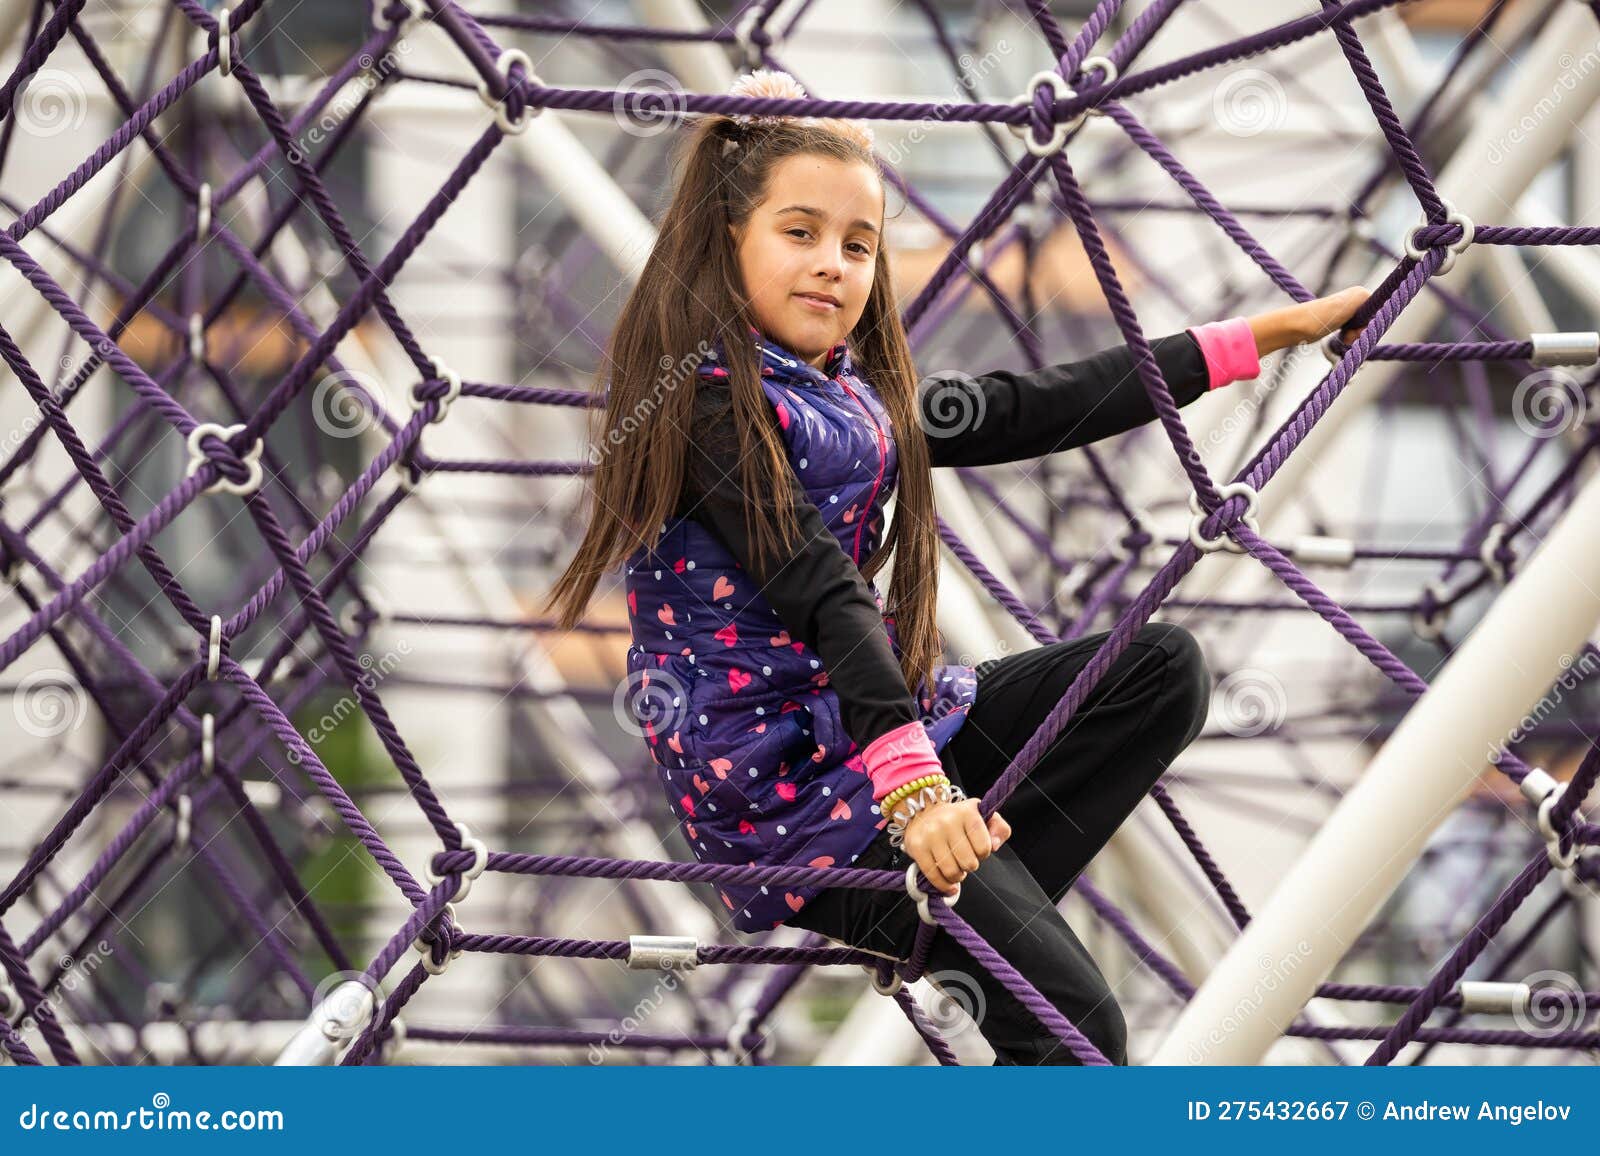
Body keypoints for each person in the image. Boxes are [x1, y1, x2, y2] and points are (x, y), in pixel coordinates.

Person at [547, 68, 1370, 1065]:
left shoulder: (851, 395)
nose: (832, 265)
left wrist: (1268, 336)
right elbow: (822, 591)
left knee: (1162, 670)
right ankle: (946, 911)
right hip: (789, 797)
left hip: (879, 736)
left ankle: (955, 918)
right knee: (1079, 1030)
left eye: (858, 246)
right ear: (728, 243)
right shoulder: (708, 406)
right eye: (800, 233)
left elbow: (1036, 405)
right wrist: (916, 794)